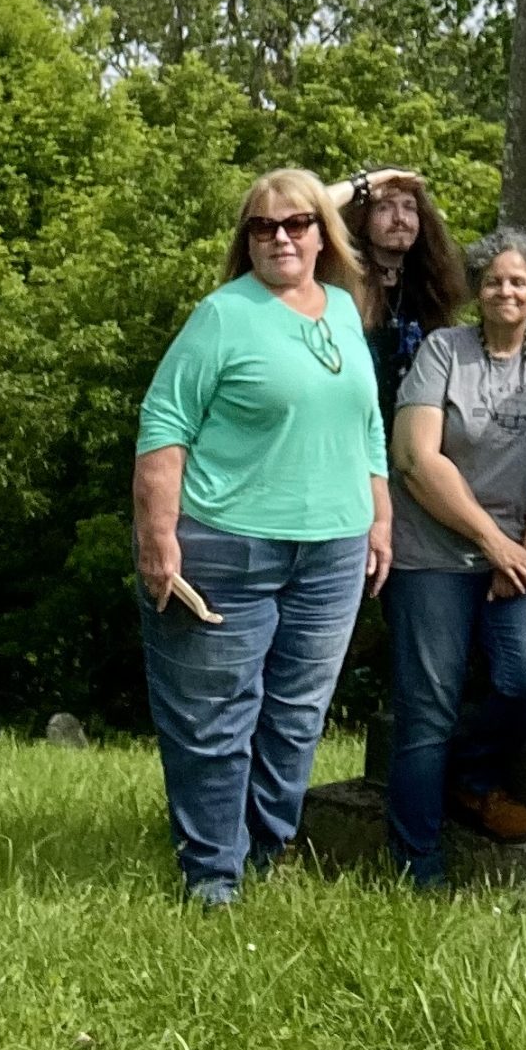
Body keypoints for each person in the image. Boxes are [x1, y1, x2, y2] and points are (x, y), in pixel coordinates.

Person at [133, 169, 391, 908]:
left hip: (333, 549)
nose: (280, 236)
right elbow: (163, 429)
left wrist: (379, 515)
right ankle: (213, 879)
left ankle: (266, 851)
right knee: (214, 720)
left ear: (322, 235)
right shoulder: (222, 316)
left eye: (297, 223)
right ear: (244, 241)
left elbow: (367, 423)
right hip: (224, 543)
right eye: (262, 227)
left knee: (296, 717)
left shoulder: (342, 308)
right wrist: (158, 537)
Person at [385, 227, 526, 882]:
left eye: (519, 281)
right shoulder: (445, 351)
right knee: (428, 704)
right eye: (494, 280)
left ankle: (472, 777)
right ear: (477, 289)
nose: (506, 290)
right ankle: (417, 862)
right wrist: (491, 542)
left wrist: (525, 554)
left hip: (517, 555)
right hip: (436, 551)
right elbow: (416, 457)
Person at [326, 167, 468, 437]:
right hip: (349, 435)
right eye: (384, 208)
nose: (400, 218)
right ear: (362, 220)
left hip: (414, 442)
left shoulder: (431, 288)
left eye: (409, 207)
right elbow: (301, 209)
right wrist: (364, 184)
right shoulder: (339, 281)